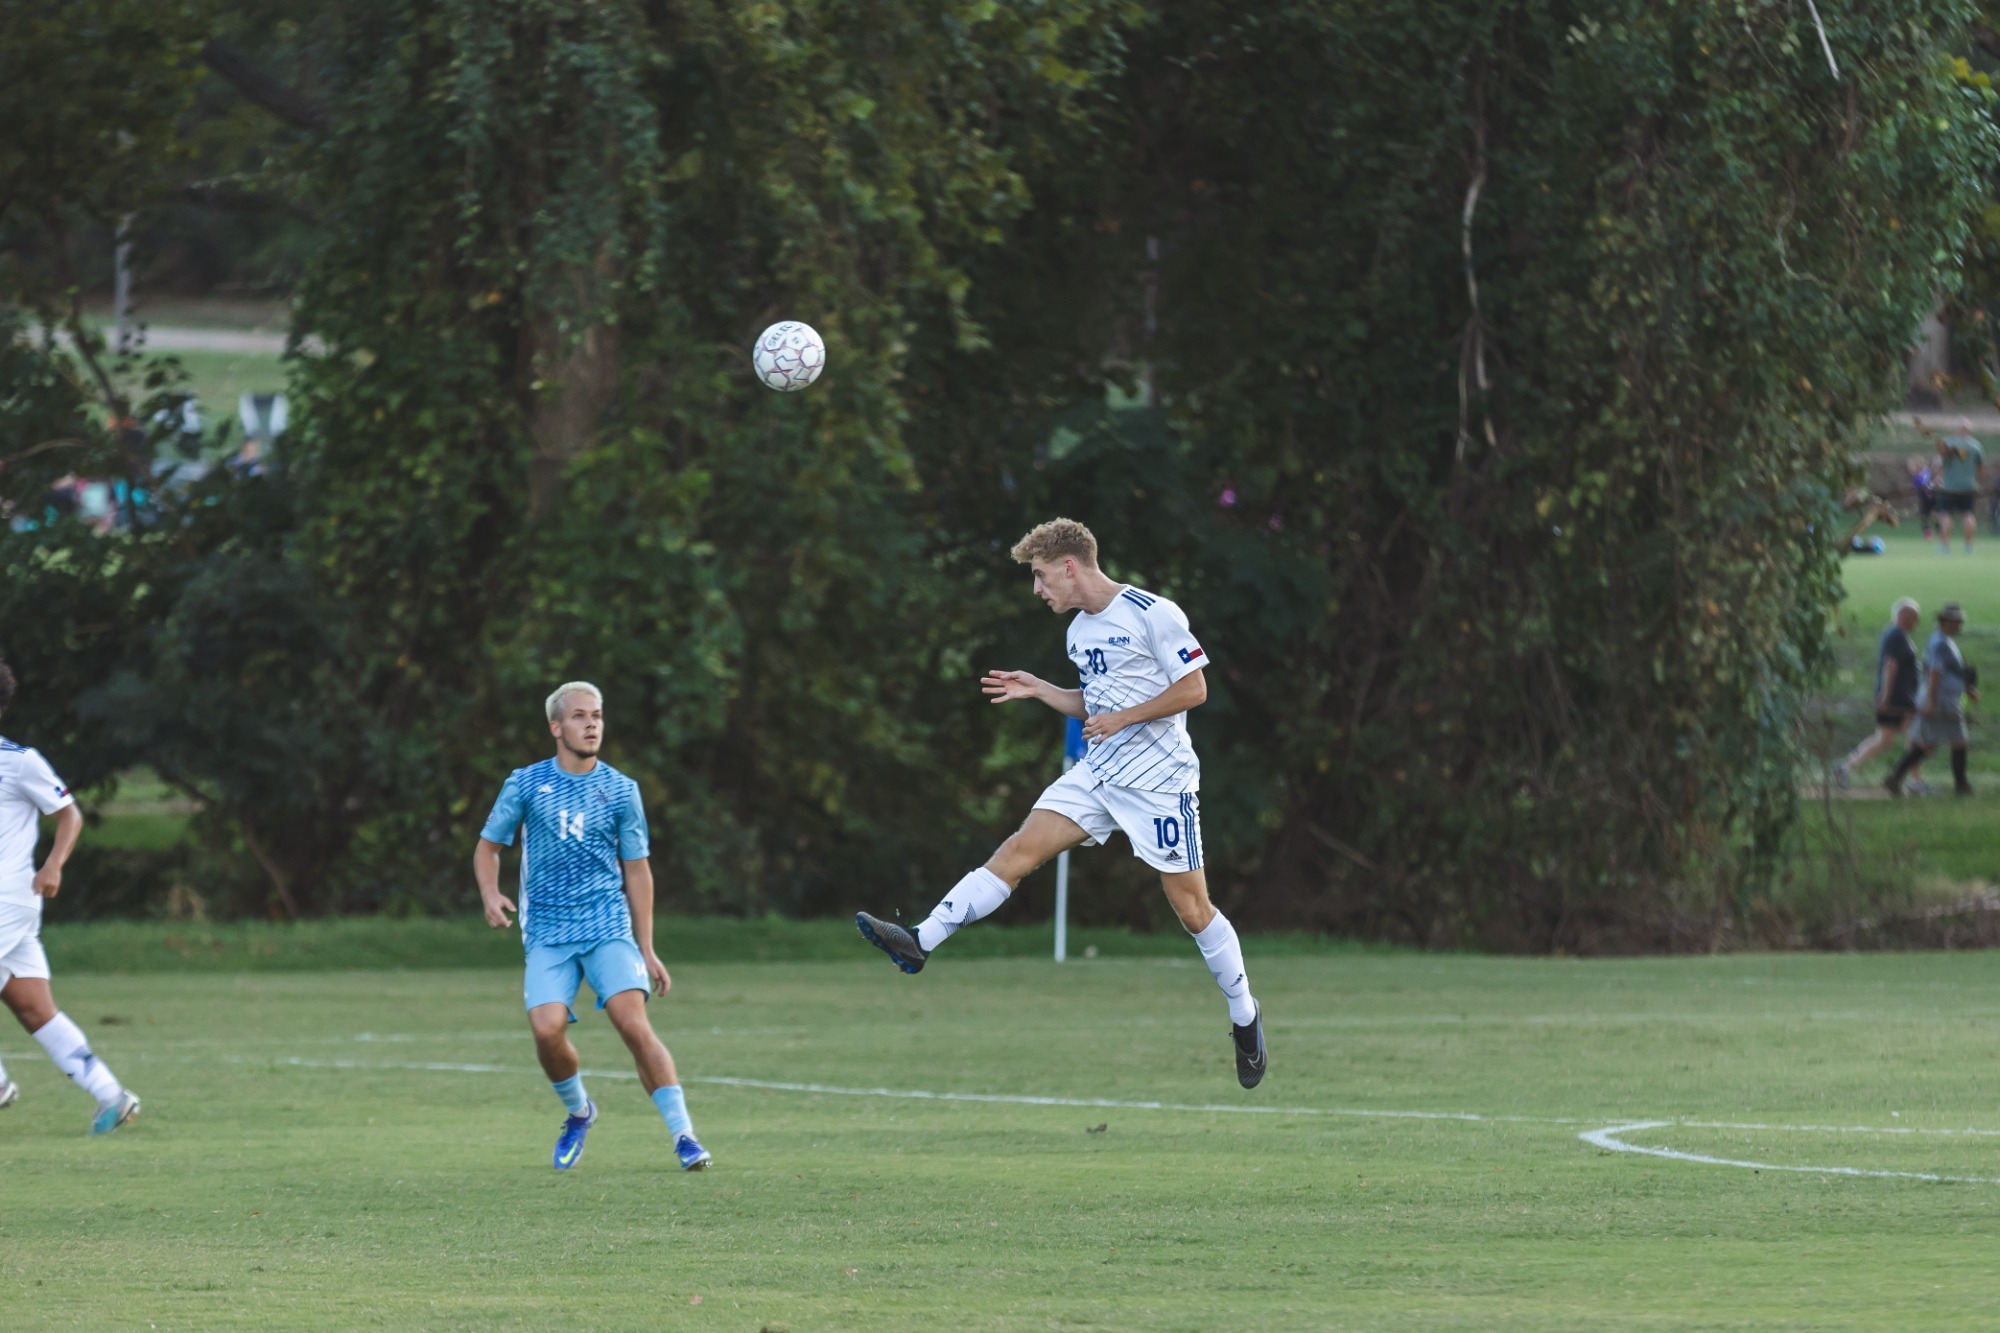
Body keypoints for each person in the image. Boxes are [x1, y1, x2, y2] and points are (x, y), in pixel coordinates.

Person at [854, 518, 1268, 1089]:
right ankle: (921, 940)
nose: (1038, 589)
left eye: (1042, 577)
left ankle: (1244, 1016)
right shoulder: (1076, 633)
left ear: (1070, 567)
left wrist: (1123, 718)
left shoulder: (1154, 613)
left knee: (1193, 910)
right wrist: (1042, 690)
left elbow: (1194, 689)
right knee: (1021, 849)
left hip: (1160, 783)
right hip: (1098, 775)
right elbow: (1093, 704)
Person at [473, 681, 711, 1171]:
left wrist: (646, 947)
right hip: (547, 933)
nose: (592, 724)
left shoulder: (622, 790)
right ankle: (580, 1112)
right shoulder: (525, 784)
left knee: (633, 1025)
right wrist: (490, 893)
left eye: (597, 716)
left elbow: (638, 870)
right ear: (557, 728)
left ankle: (684, 1136)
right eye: (580, 717)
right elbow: (487, 847)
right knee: (546, 1032)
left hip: (607, 927)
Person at [0, 658, 142, 1132]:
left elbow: (69, 813)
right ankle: (111, 1096)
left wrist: (54, 864)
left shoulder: (19, 761)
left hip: (8, 897)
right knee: (33, 1007)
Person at [1885, 603, 1978, 797]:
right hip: (1940, 701)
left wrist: (1966, 688)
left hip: (1946, 700)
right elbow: (1934, 673)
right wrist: (1931, 702)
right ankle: (1960, 785)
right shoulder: (1940, 643)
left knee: (1942, 743)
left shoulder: (1945, 641)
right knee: (1943, 743)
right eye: (1957, 621)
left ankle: (1896, 777)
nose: (1960, 625)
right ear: (1945, 622)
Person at [1834, 598, 1922, 790]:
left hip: (1903, 696)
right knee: (1899, 738)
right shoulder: (1896, 636)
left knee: (1898, 738)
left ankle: (1846, 767)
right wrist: (1885, 695)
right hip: (1898, 697)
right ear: (1903, 616)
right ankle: (1915, 781)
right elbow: (1890, 665)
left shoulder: (1896, 635)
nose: (1917, 622)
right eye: (1915, 618)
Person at [1934, 421, 1984, 554]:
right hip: (1968, 486)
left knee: (1945, 515)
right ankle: (1968, 546)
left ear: (1956, 428)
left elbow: (1938, 462)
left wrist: (1937, 477)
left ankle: (1944, 546)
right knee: (1968, 514)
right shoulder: (1975, 445)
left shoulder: (1947, 442)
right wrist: (1976, 482)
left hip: (1949, 487)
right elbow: (1979, 467)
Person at [1907, 454, 1937, 543]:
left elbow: (1925, 483)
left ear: (1918, 465)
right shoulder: (1916, 476)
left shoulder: (1925, 473)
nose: (1909, 468)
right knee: (1924, 516)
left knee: (1932, 514)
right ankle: (1928, 533)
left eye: (1911, 465)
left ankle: (1938, 529)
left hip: (1930, 497)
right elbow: (1916, 486)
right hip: (1923, 498)